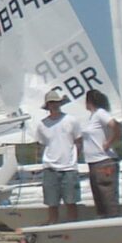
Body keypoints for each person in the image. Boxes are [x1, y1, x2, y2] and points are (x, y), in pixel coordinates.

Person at [33, 88, 81, 225]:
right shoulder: (42, 124)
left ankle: (73, 225)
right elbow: (41, 144)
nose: (54, 105)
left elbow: (79, 141)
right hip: (50, 167)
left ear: (60, 103)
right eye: (51, 103)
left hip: (69, 167)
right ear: (47, 106)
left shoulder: (71, 120)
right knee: (51, 202)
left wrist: (74, 158)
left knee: (71, 201)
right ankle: (53, 224)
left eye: (56, 102)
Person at [79, 89, 122, 218]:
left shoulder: (100, 113)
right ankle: (104, 220)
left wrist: (109, 142)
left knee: (108, 197)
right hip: (93, 163)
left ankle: (113, 222)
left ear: (89, 102)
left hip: (104, 161)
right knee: (99, 199)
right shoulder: (92, 117)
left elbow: (116, 125)